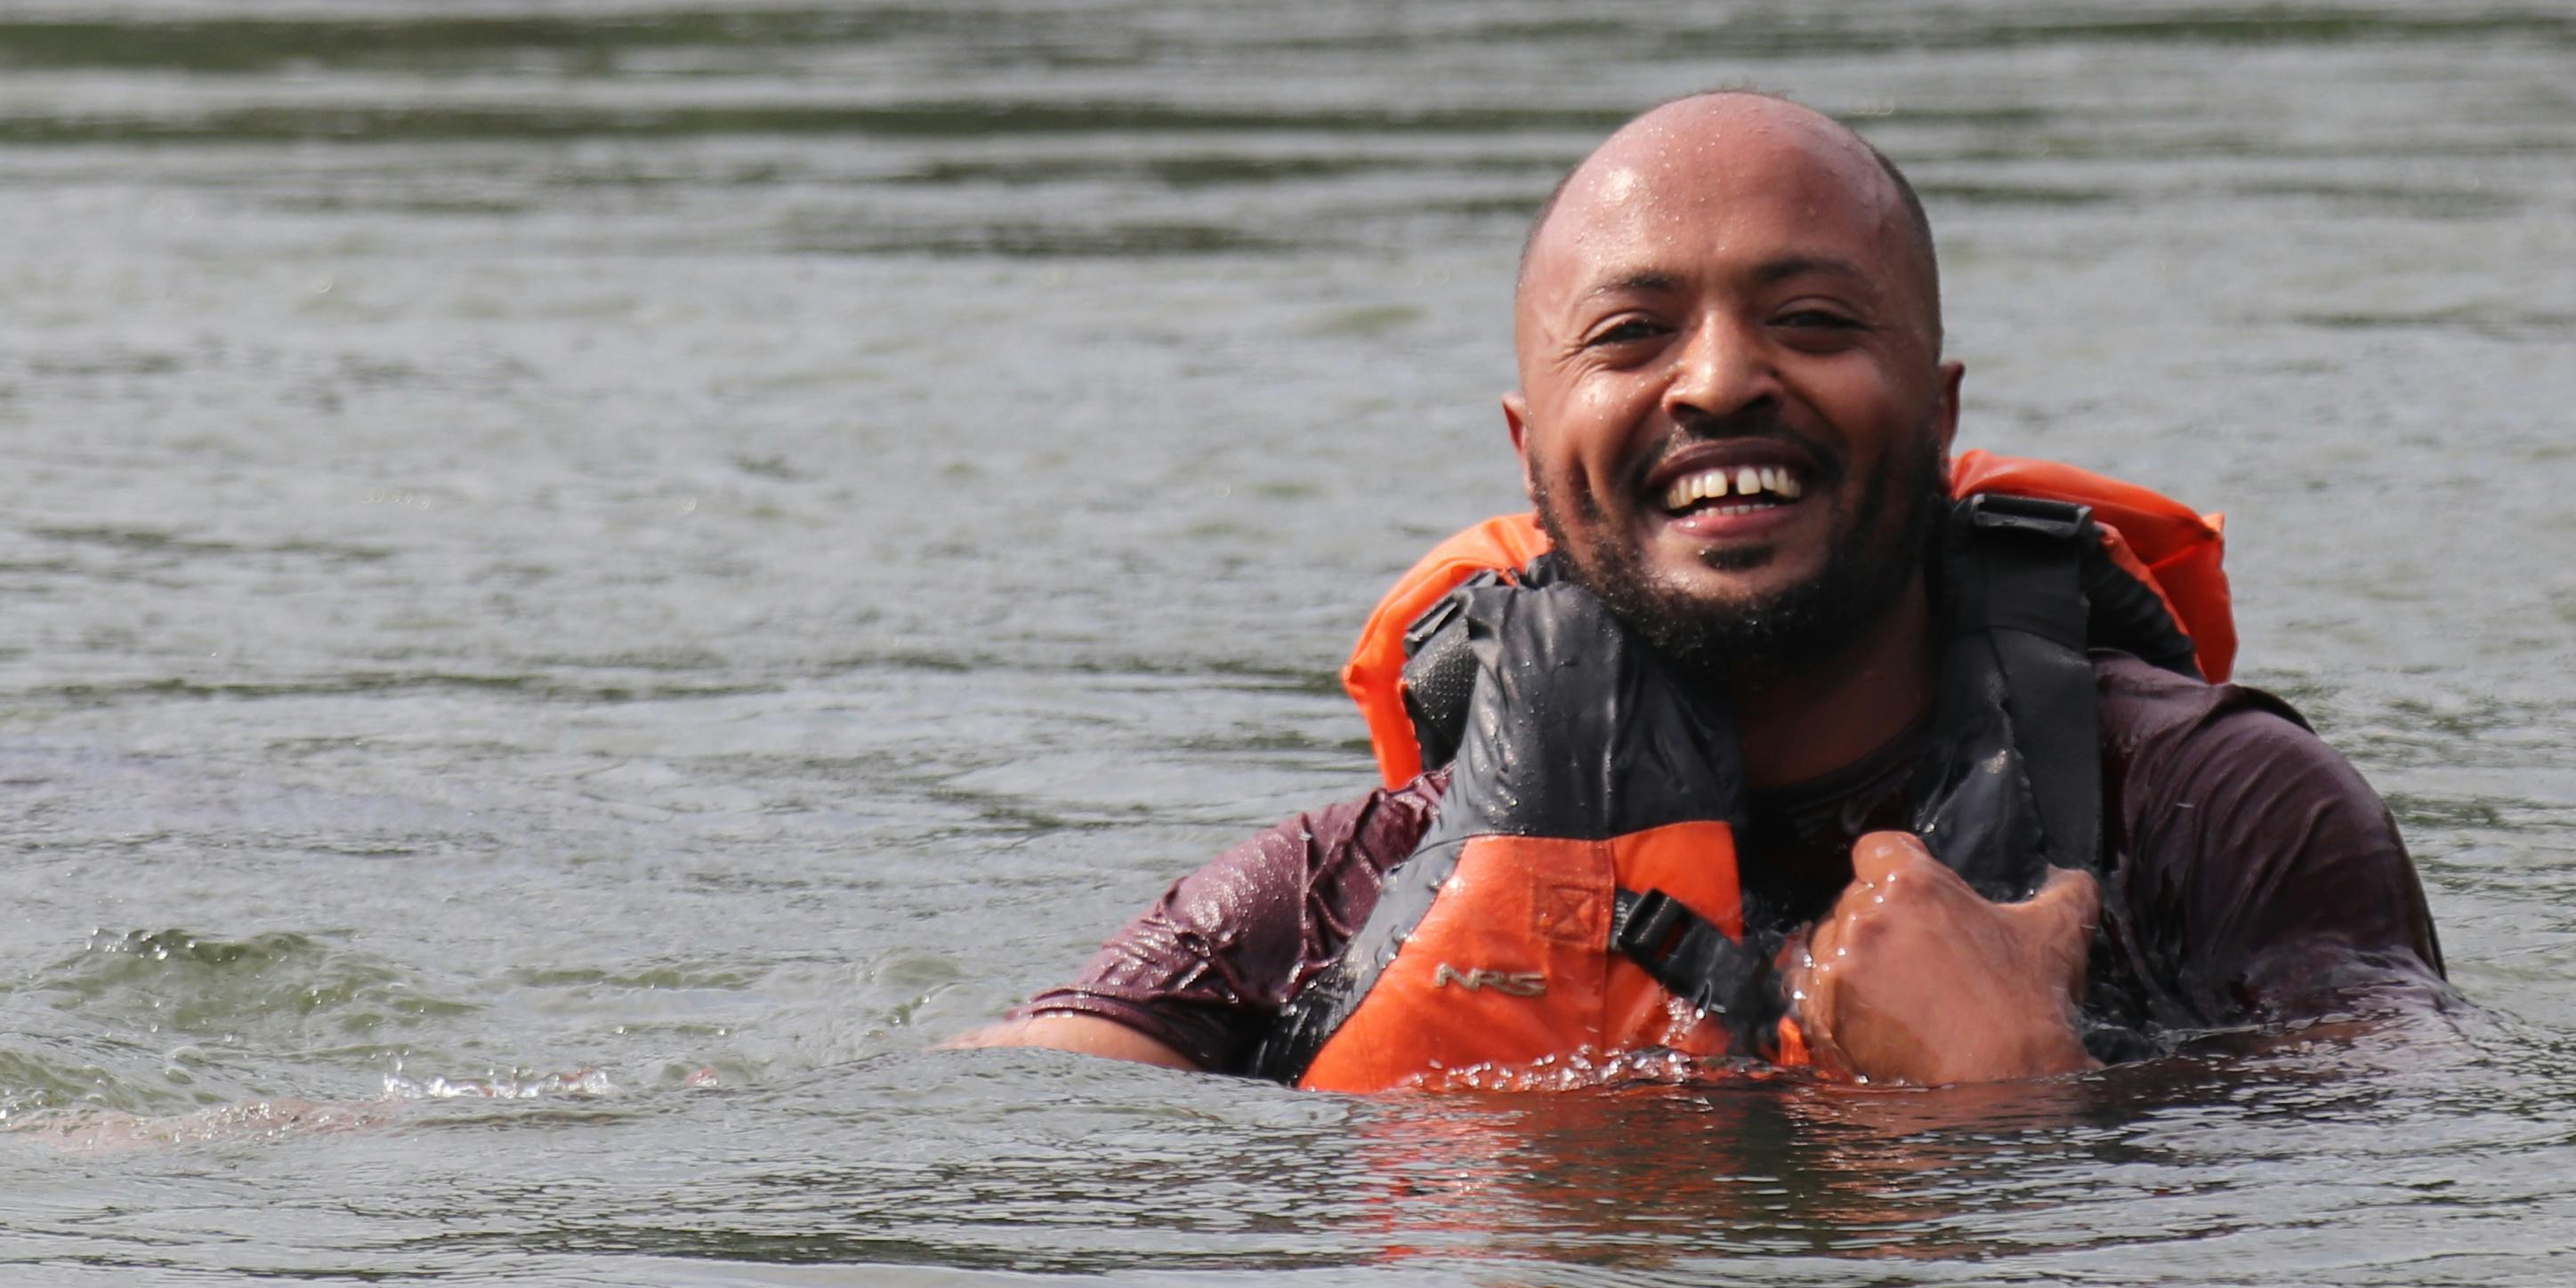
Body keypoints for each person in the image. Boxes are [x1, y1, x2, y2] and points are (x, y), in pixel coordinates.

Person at [965, 93, 2437, 1089]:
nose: (1722, 381)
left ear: (1938, 417)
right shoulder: (1339, 889)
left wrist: (2025, 1092)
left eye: (1812, 320)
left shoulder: (2222, 816)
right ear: (1532, 449)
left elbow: (2418, 1177)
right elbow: (985, 1146)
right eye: (1632, 335)